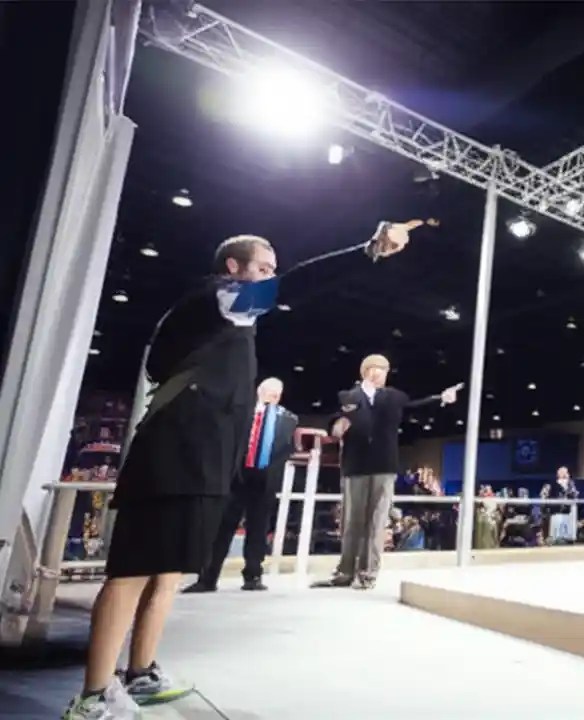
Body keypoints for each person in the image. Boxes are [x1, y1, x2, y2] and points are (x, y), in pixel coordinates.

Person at [63, 220, 425, 720]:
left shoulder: (233, 324)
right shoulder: (218, 297)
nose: (270, 277)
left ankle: (140, 672)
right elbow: (295, 286)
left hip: (206, 456)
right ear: (233, 269)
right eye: (263, 268)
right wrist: (366, 250)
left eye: (272, 269)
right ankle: (93, 695)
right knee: (132, 572)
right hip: (173, 452)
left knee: (167, 572)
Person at [313, 354, 460, 590]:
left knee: (377, 522)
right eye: (378, 369)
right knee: (352, 521)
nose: (382, 373)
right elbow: (333, 422)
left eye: (385, 369)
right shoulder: (347, 396)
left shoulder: (393, 397)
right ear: (367, 371)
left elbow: (416, 406)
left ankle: (368, 574)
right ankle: (345, 571)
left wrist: (441, 398)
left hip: (384, 466)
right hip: (355, 466)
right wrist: (337, 427)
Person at [182, 377, 297, 594]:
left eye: (278, 393)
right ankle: (208, 577)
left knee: (258, 529)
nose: (274, 396)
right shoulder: (242, 414)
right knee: (222, 527)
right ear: (259, 391)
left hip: (264, 481)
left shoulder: (288, 419)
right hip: (237, 477)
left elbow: (285, 450)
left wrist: (272, 475)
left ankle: (253, 575)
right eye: (270, 392)